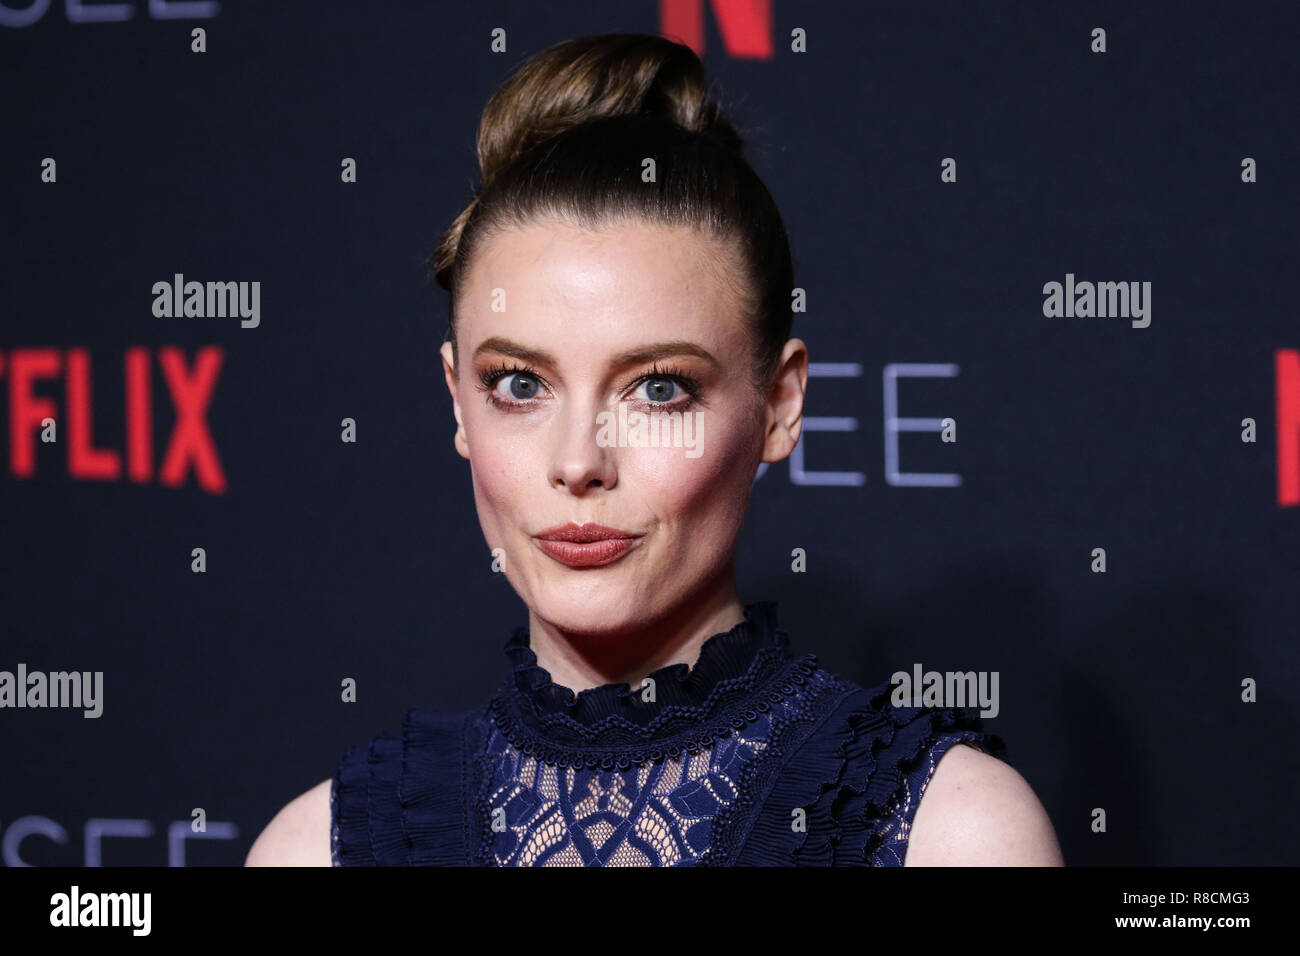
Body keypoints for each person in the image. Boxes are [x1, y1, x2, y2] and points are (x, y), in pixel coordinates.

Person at [246, 32, 1062, 867]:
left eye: (659, 388)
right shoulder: (323, 846)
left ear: (780, 404)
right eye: (520, 384)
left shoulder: (945, 832)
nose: (579, 462)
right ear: (459, 398)